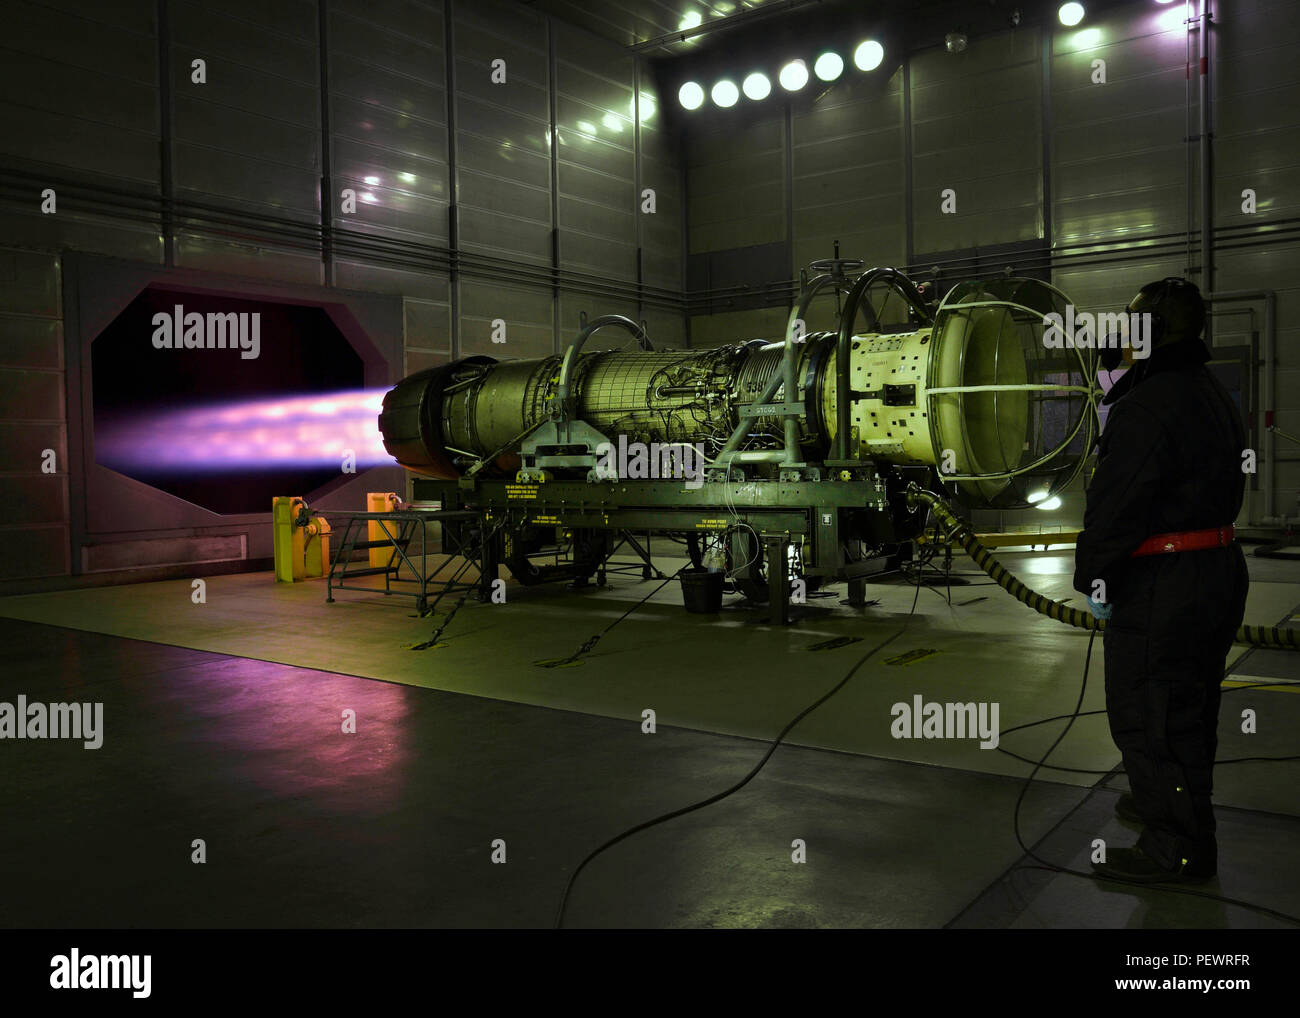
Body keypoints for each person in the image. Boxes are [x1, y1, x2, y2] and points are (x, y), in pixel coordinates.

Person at [1072, 277, 1249, 883]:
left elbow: (1114, 505)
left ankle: (1175, 846)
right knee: (1190, 708)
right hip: (1216, 571)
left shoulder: (1147, 407)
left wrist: (1092, 577)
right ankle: (1172, 806)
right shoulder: (1207, 390)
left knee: (1152, 713)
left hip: (1166, 583)